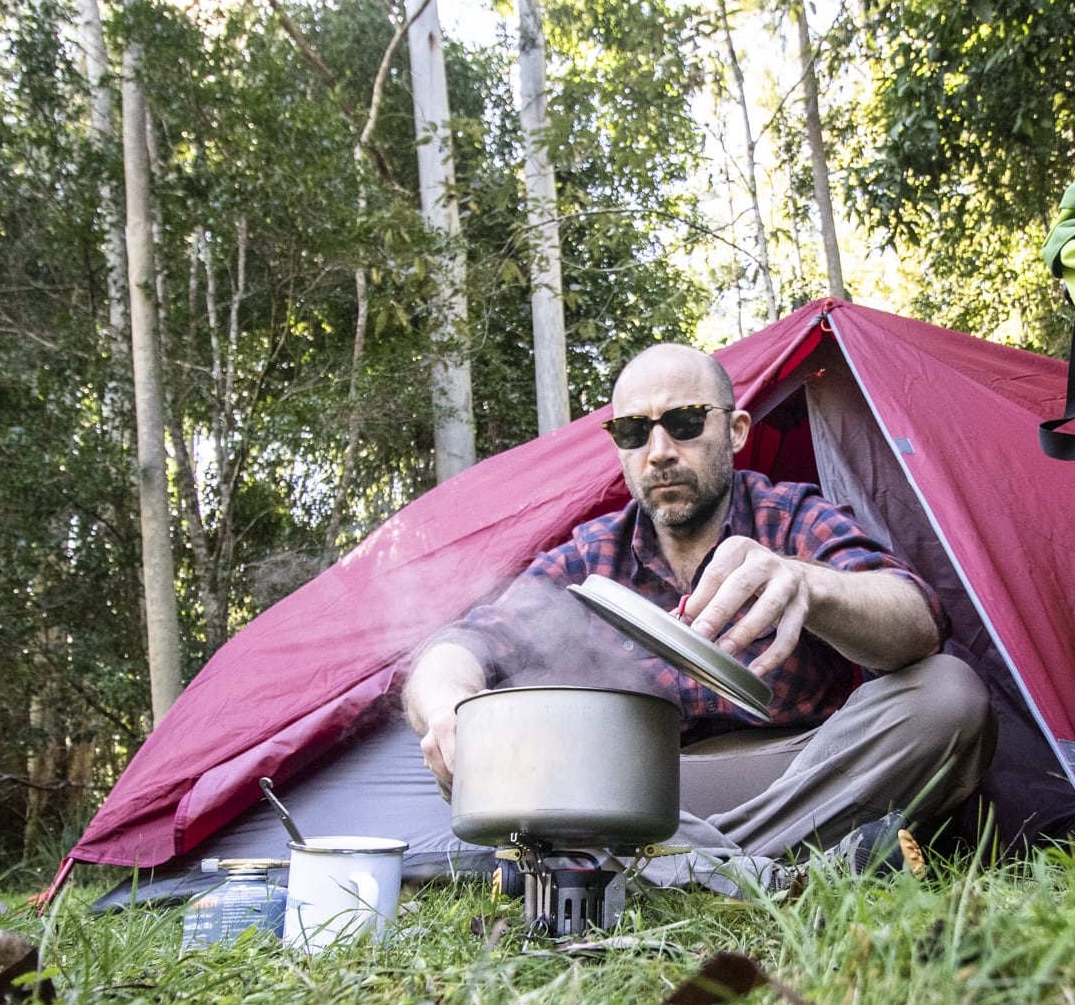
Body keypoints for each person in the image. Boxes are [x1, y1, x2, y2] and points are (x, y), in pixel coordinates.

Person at [401, 342, 996, 886]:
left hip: (805, 774)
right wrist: (447, 707)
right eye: (634, 431)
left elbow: (918, 621)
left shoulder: (790, 516)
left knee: (950, 695)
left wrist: (808, 584)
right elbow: (464, 644)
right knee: (499, 749)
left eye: (685, 423)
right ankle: (781, 876)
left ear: (736, 431)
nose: (659, 452)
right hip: (646, 788)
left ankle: (665, 871)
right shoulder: (589, 555)